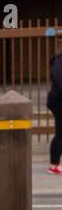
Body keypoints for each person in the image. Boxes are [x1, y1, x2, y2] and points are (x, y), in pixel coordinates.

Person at [49, 46, 62, 176]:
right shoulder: (59, 62)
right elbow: (60, 81)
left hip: (57, 99)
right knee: (60, 134)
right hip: (59, 101)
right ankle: (53, 165)